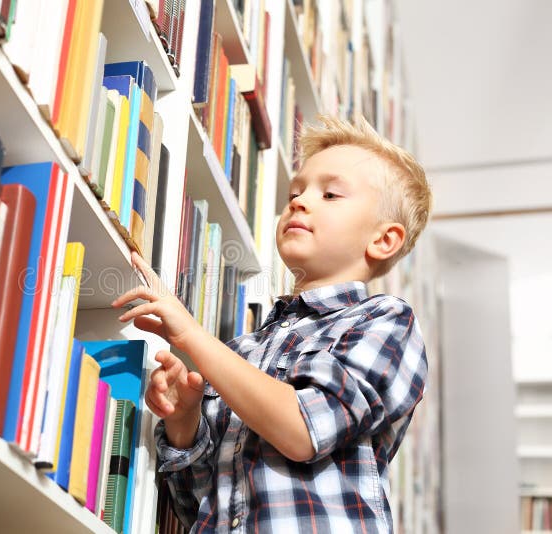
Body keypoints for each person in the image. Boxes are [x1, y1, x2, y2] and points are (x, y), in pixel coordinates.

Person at [111, 115, 432, 533]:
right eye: (295, 193)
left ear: (383, 240)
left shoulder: (386, 321)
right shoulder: (241, 351)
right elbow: (195, 505)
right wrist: (184, 420)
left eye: (330, 194)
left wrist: (192, 336)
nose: (299, 202)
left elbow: (303, 431)